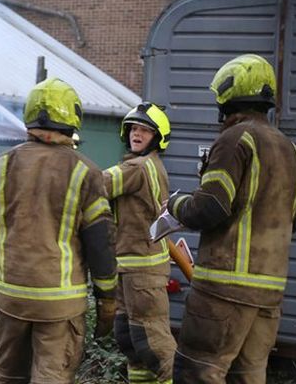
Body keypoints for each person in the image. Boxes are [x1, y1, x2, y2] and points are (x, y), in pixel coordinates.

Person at [163, 54, 296, 384]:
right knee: (248, 377)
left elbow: (209, 208)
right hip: (268, 296)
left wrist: (175, 204)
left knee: (197, 372)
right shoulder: (292, 151)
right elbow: (294, 219)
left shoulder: (235, 139)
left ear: (228, 94)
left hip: (223, 292)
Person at [0, 77, 118, 384]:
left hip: (10, 297)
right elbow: (100, 244)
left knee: (5, 375)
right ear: (72, 117)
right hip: (60, 305)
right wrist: (107, 299)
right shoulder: (85, 172)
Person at [103, 102, 176, 384]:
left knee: (155, 345)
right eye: (133, 128)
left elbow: (98, 183)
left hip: (142, 270)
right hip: (130, 268)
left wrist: (65, 167)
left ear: (157, 137)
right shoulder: (150, 165)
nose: (136, 134)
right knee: (132, 342)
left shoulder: (137, 167)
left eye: (144, 130)